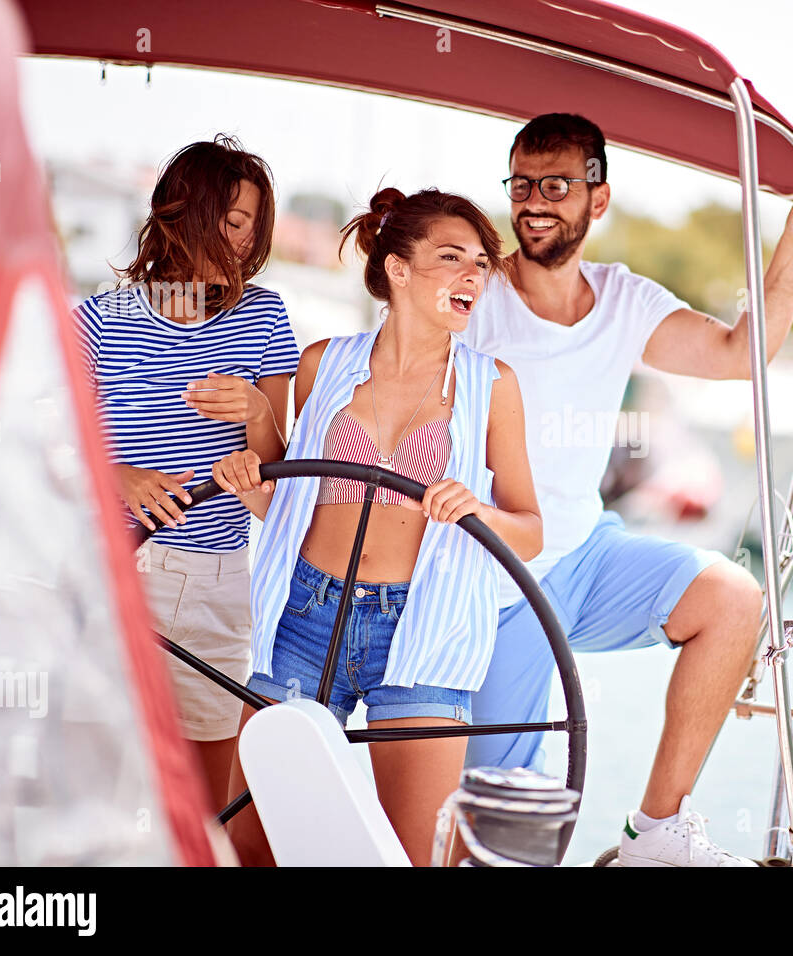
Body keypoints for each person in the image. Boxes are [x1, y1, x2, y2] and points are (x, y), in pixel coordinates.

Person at [461, 113, 793, 866]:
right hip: (499, 574)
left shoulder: (622, 299)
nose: (534, 202)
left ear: (597, 200)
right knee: (504, 828)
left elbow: (744, 353)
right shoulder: (473, 296)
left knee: (735, 600)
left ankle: (654, 835)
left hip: (586, 555)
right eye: (522, 184)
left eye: (557, 185)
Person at [212, 187, 541, 867]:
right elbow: (297, 505)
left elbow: (531, 531)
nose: (473, 275)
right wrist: (251, 485)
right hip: (305, 615)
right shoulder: (322, 363)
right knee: (252, 847)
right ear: (396, 267)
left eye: (481, 263)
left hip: (422, 629)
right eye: (452, 258)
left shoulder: (492, 385)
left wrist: (479, 511)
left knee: (416, 856)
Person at [71, 136, 298, 815]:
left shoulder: (264, 318)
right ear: (182, 213)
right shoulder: (100, 321)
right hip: (109, 570)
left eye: (252, 226)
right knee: (95, 793)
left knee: (205, 805)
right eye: (230, 221)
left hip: (215, 579)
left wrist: (258, 412)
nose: (243, 241)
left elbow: (275, 488)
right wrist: (122, 477)